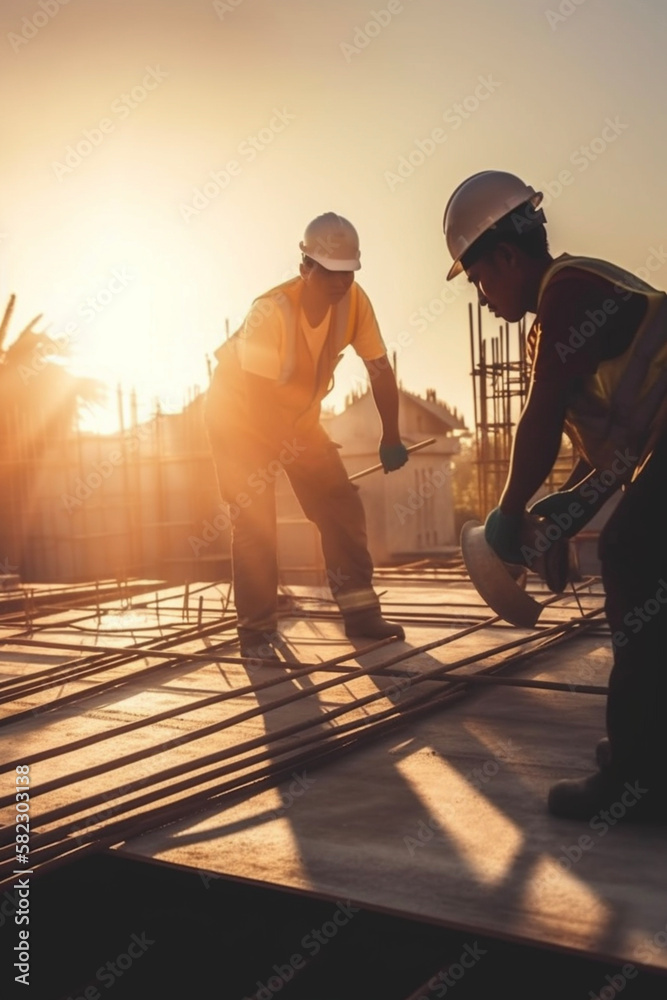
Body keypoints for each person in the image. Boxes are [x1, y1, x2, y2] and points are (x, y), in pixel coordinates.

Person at [442, 170, 667, 820]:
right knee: (640, 555)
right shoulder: (557, 323)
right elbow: (610, 455)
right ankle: (647, 752)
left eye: (480, 278)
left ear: (508, 258)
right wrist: (559, 518)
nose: (483, 300)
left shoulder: (568, 289)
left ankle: (640, 782)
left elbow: (538, 419)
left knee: (629, 553)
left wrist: (510, 516)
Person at [204, 212, 408, 663]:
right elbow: (257, 402)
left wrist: (390, 435)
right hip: (238, 420)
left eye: (349, 272)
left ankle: (360, 613)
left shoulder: (356, 304)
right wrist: (281, 456)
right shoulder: (270, 312)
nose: (341, 283)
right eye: (331, 272)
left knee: (338, 502)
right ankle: (256, 631)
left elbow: (379, 369)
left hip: (294, 419)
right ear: (305, 269)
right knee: (255, 520)